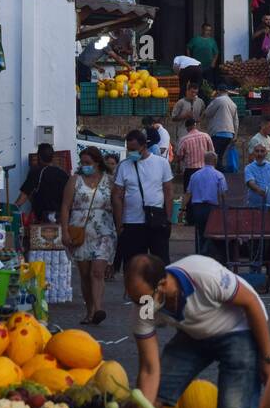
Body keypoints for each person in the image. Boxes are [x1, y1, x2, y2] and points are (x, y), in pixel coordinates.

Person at [127, 252, 270, 408]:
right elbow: (149, 369)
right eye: (135, 299)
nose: (141, 306)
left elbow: (252, 303)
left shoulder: (203, 275)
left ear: (162, 285)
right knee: (152, 396)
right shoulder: (143, 307)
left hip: (240, 328)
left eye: (144, 299)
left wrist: (268, 357)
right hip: (195, 333)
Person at [60, 145, 119, 325]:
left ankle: (98, 309)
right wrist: (64, 231)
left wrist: (120, 226)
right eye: (83, 162)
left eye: (88, 162)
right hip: (81, 232)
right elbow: (65, 206)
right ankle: (90, 310)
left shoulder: (109, 181)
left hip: (104, 230)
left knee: (97, 271)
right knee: (85, 275)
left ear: (97, 163)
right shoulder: (74, 180)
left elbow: (117, 204)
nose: (85, 165)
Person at [112, 128, 175, 265]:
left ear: (144, 146)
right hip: (132, 223)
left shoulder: (161, 163)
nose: (131, 152)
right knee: (133, 266)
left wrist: (168, 219)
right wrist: (119, 224)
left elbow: (169, 191)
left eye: (134, 149)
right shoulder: (124, 166)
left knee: (161, 264)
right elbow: (117, 196)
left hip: (156, 221)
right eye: (129, 149)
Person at [182, 151, 227, 249]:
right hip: (212, 208)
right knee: (212, 233)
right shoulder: (219, 175)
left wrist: (181, 210)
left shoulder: (195, 175)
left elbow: (188, 193)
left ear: (204, 160)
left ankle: (201, 251)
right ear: (215, 161)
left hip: (197, 208)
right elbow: (222, 193)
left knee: (200, 232)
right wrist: (223, 207)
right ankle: (207, 252)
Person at [19, 142, 68, 224]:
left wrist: (12, 209)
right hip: (60, 220)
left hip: (42, 220)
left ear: (39, 157)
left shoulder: (36, 172)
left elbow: (24, 196)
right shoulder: (63, 173)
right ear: (52, 157)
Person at [202, 85, 240, 170]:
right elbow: (236, 121)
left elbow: (207, 113)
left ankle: (216, 173)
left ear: (218, 91)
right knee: (220, 155)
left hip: (218, 132)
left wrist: (212, 99)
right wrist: (235, 135)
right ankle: (220, 171)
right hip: (229, 134)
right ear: (227, 91)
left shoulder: (218, 100)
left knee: (215, 155)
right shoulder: (232, 103)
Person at [176, 116, 215, 194]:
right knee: (204, 191)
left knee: (189, 193)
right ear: (195, 125)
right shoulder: (206, 136)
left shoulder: (184, 139)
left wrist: (178, 167)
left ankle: (189, 206)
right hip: (205, 169)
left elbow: (179, 156)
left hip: (190, 170)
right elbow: (212, 153)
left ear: (186, 128)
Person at [244, 141, 270, 212]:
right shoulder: (248, 168)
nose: (259, 154)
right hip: (253, 207)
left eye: (262, 151)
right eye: (257, 151)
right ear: (253, 153)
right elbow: (251, 183)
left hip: (269, 206)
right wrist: (259, 190)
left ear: (266, 153)